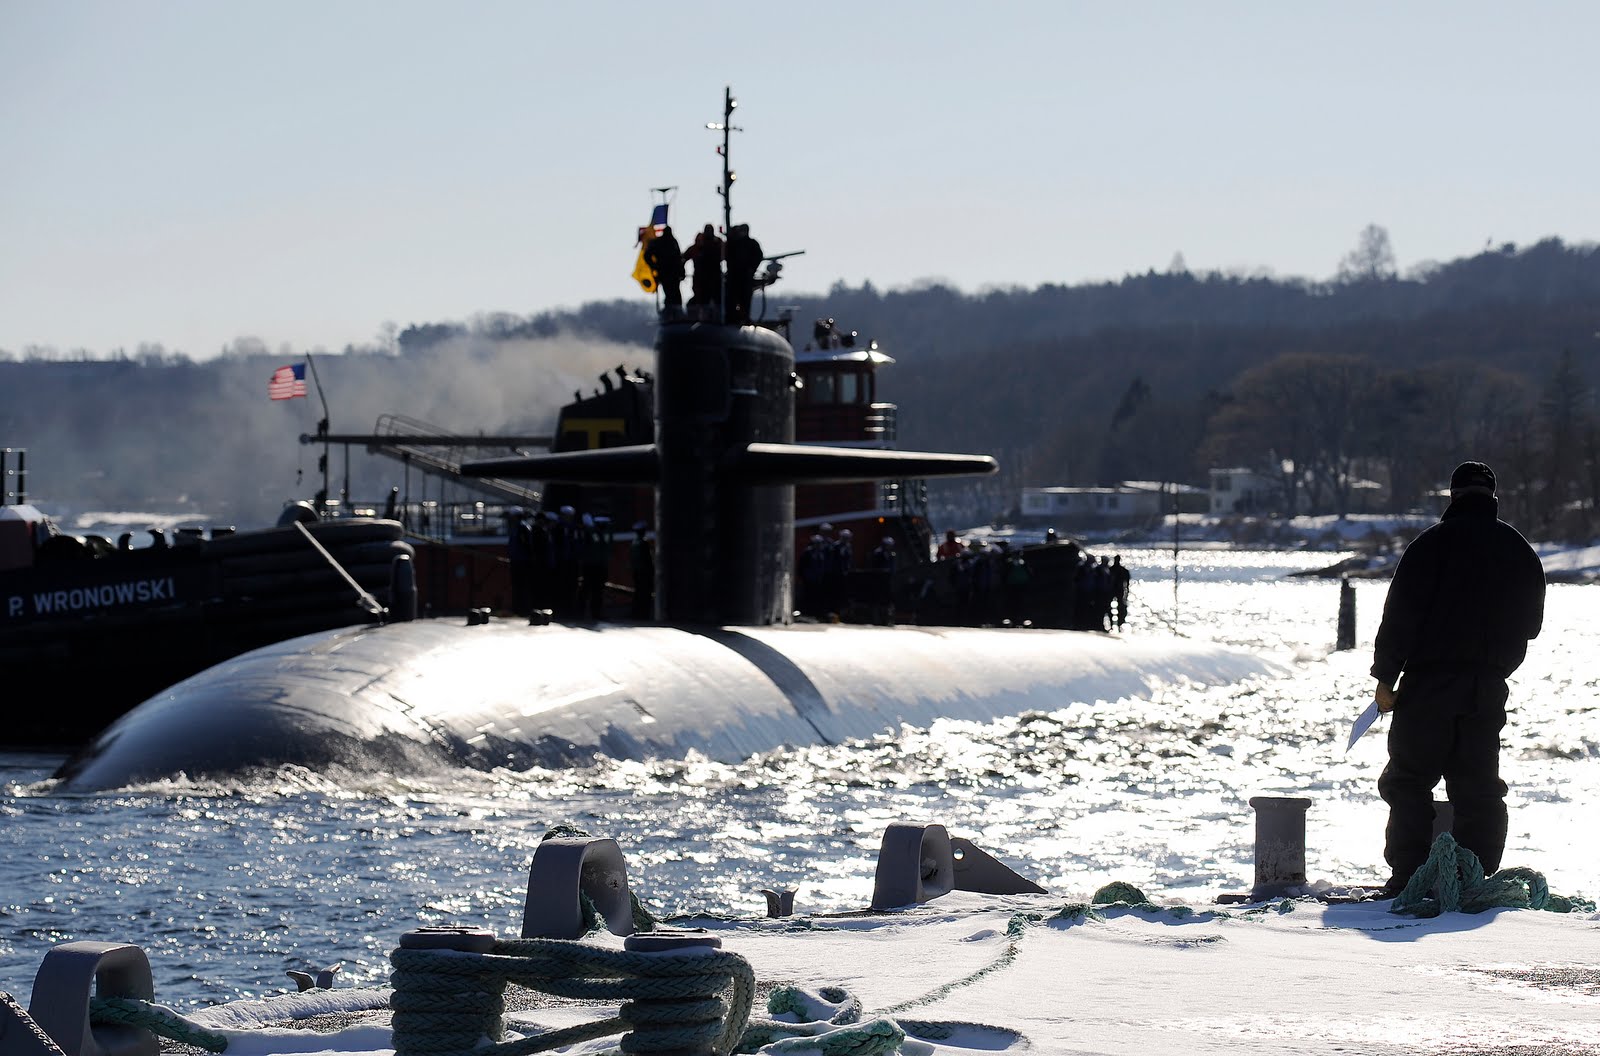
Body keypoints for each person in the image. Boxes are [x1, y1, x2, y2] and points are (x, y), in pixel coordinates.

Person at [1370, 460, 1545, 897]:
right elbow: (1532, 625)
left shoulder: (1429, 545)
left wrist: (1385, 677)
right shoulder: (1519, 550)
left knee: (1409, 781)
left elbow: (1400, 618)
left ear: (1453, 496)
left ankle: (1409, 878)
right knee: (1478, 786)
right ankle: (1476, 878)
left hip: (1428, 684)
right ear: (1493, 497)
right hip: (1487, 686)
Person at [724, 223, 763, 324]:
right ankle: (732, 316)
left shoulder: (752, 244)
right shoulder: (733, 243)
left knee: (745, 299)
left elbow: (758, 256)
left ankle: (744, 317)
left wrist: (751, 268)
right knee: (732, 298)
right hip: (734, 277)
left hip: (745, 277)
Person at [643, 225, 684, 313]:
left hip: (673, 274)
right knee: (670, 294)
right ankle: (671, 312)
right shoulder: (659, 242)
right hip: (664, 273)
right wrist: (654, 266)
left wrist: (681, 272)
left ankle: (677, 312)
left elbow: (678, 258)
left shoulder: (672, 242)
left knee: (676, 295)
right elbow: (647, 256)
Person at [683, 224, 722, 313]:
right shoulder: (698, 246)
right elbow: (684, 258)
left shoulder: (717, 244)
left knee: (715, 298)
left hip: (714, 279)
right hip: (701, 279)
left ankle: (713, 316)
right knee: (702, 298)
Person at [629, 520, 654, 620]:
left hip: (636, 571)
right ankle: (643, 614)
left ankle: (636, 613)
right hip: (644, 572)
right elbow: (648, 559)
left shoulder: (634, 543)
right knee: (645, 593)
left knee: (638, 592)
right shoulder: (643, 543)